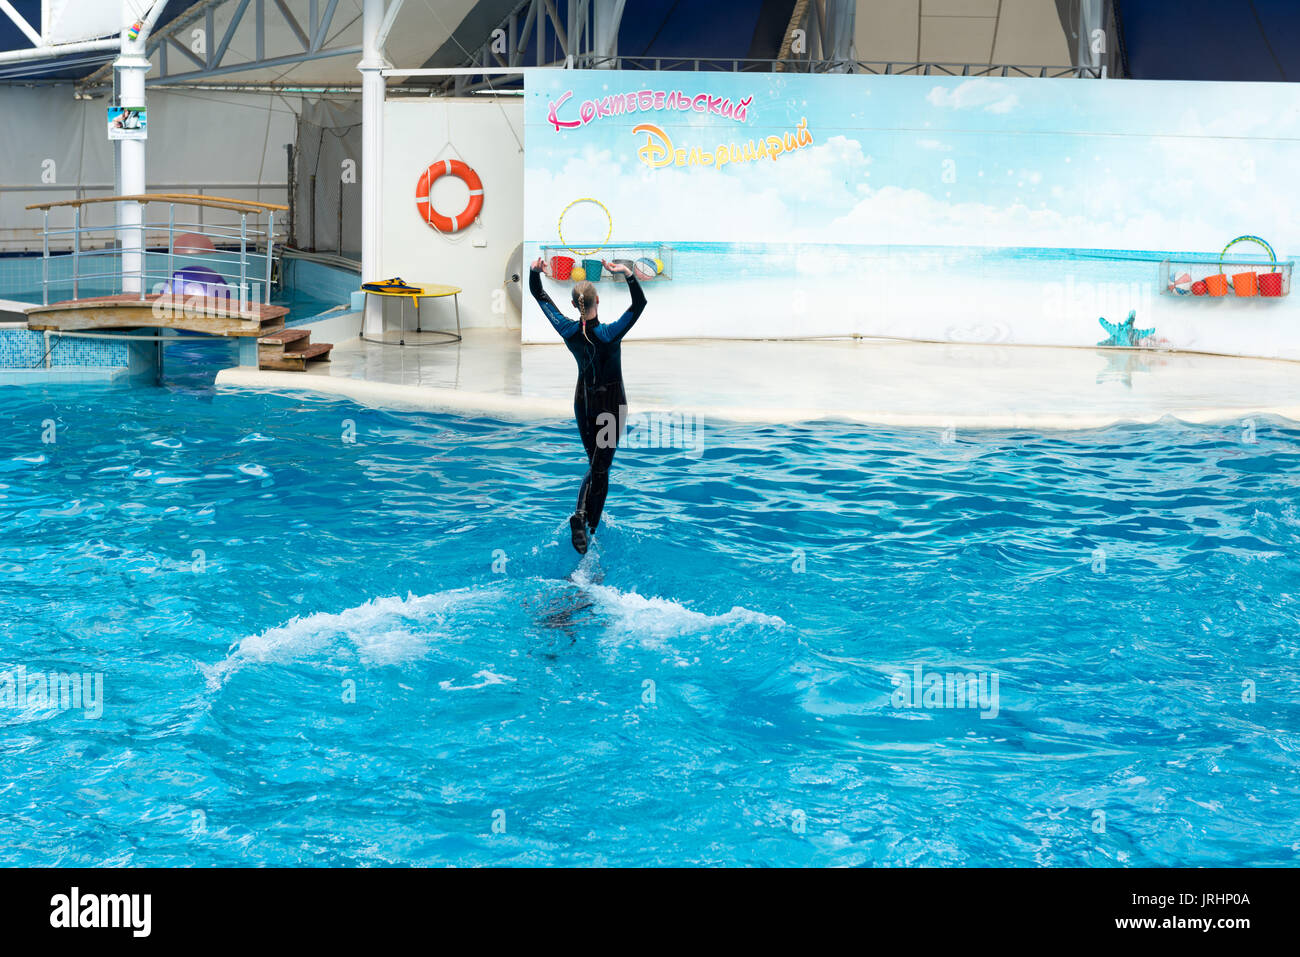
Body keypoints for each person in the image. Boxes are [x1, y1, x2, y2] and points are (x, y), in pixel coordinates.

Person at [529, 256, 647, 554]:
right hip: (610, 405)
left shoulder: (567, 330)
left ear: (574, 305)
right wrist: (628, 274)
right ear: (598, 301)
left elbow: (540, 297)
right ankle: (584, 524)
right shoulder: (608, 333)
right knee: (600, 468)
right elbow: (638, 306)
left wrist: (534, 272)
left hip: (583, 403)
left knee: (595, 464)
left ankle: (582, 520)